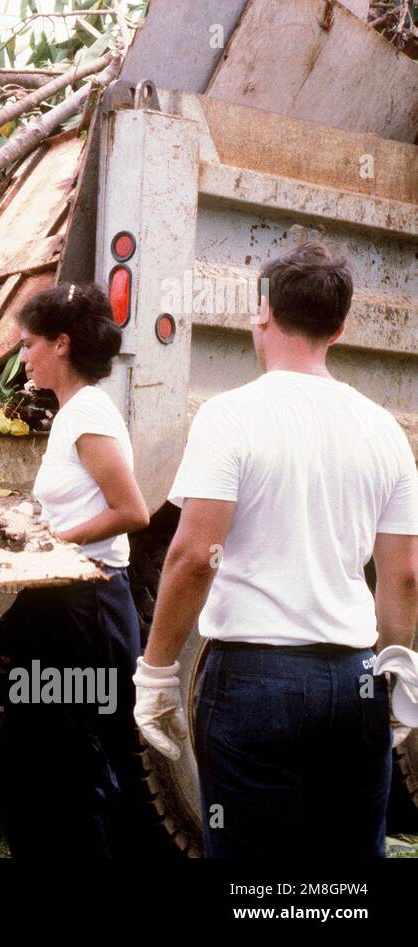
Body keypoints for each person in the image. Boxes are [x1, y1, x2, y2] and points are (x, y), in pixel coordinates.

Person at [134, 241, 418, 858]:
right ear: (340, 327)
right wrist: (399, 673)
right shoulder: (384, 431)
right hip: (355, 680)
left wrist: (156, 674)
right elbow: (403, 578)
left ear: (260, 312)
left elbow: (192, 555)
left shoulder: (229, 416)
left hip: (254, 682)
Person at [0, 283, 150, 857]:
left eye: (29, 345)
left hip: (88, 609)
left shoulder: (90, 414)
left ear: (62, 344)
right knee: (35, 758)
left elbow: (132, 510)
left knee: (72, 766)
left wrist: (55, 540)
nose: (22, 356)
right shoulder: (69, 415)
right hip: (59, 601)